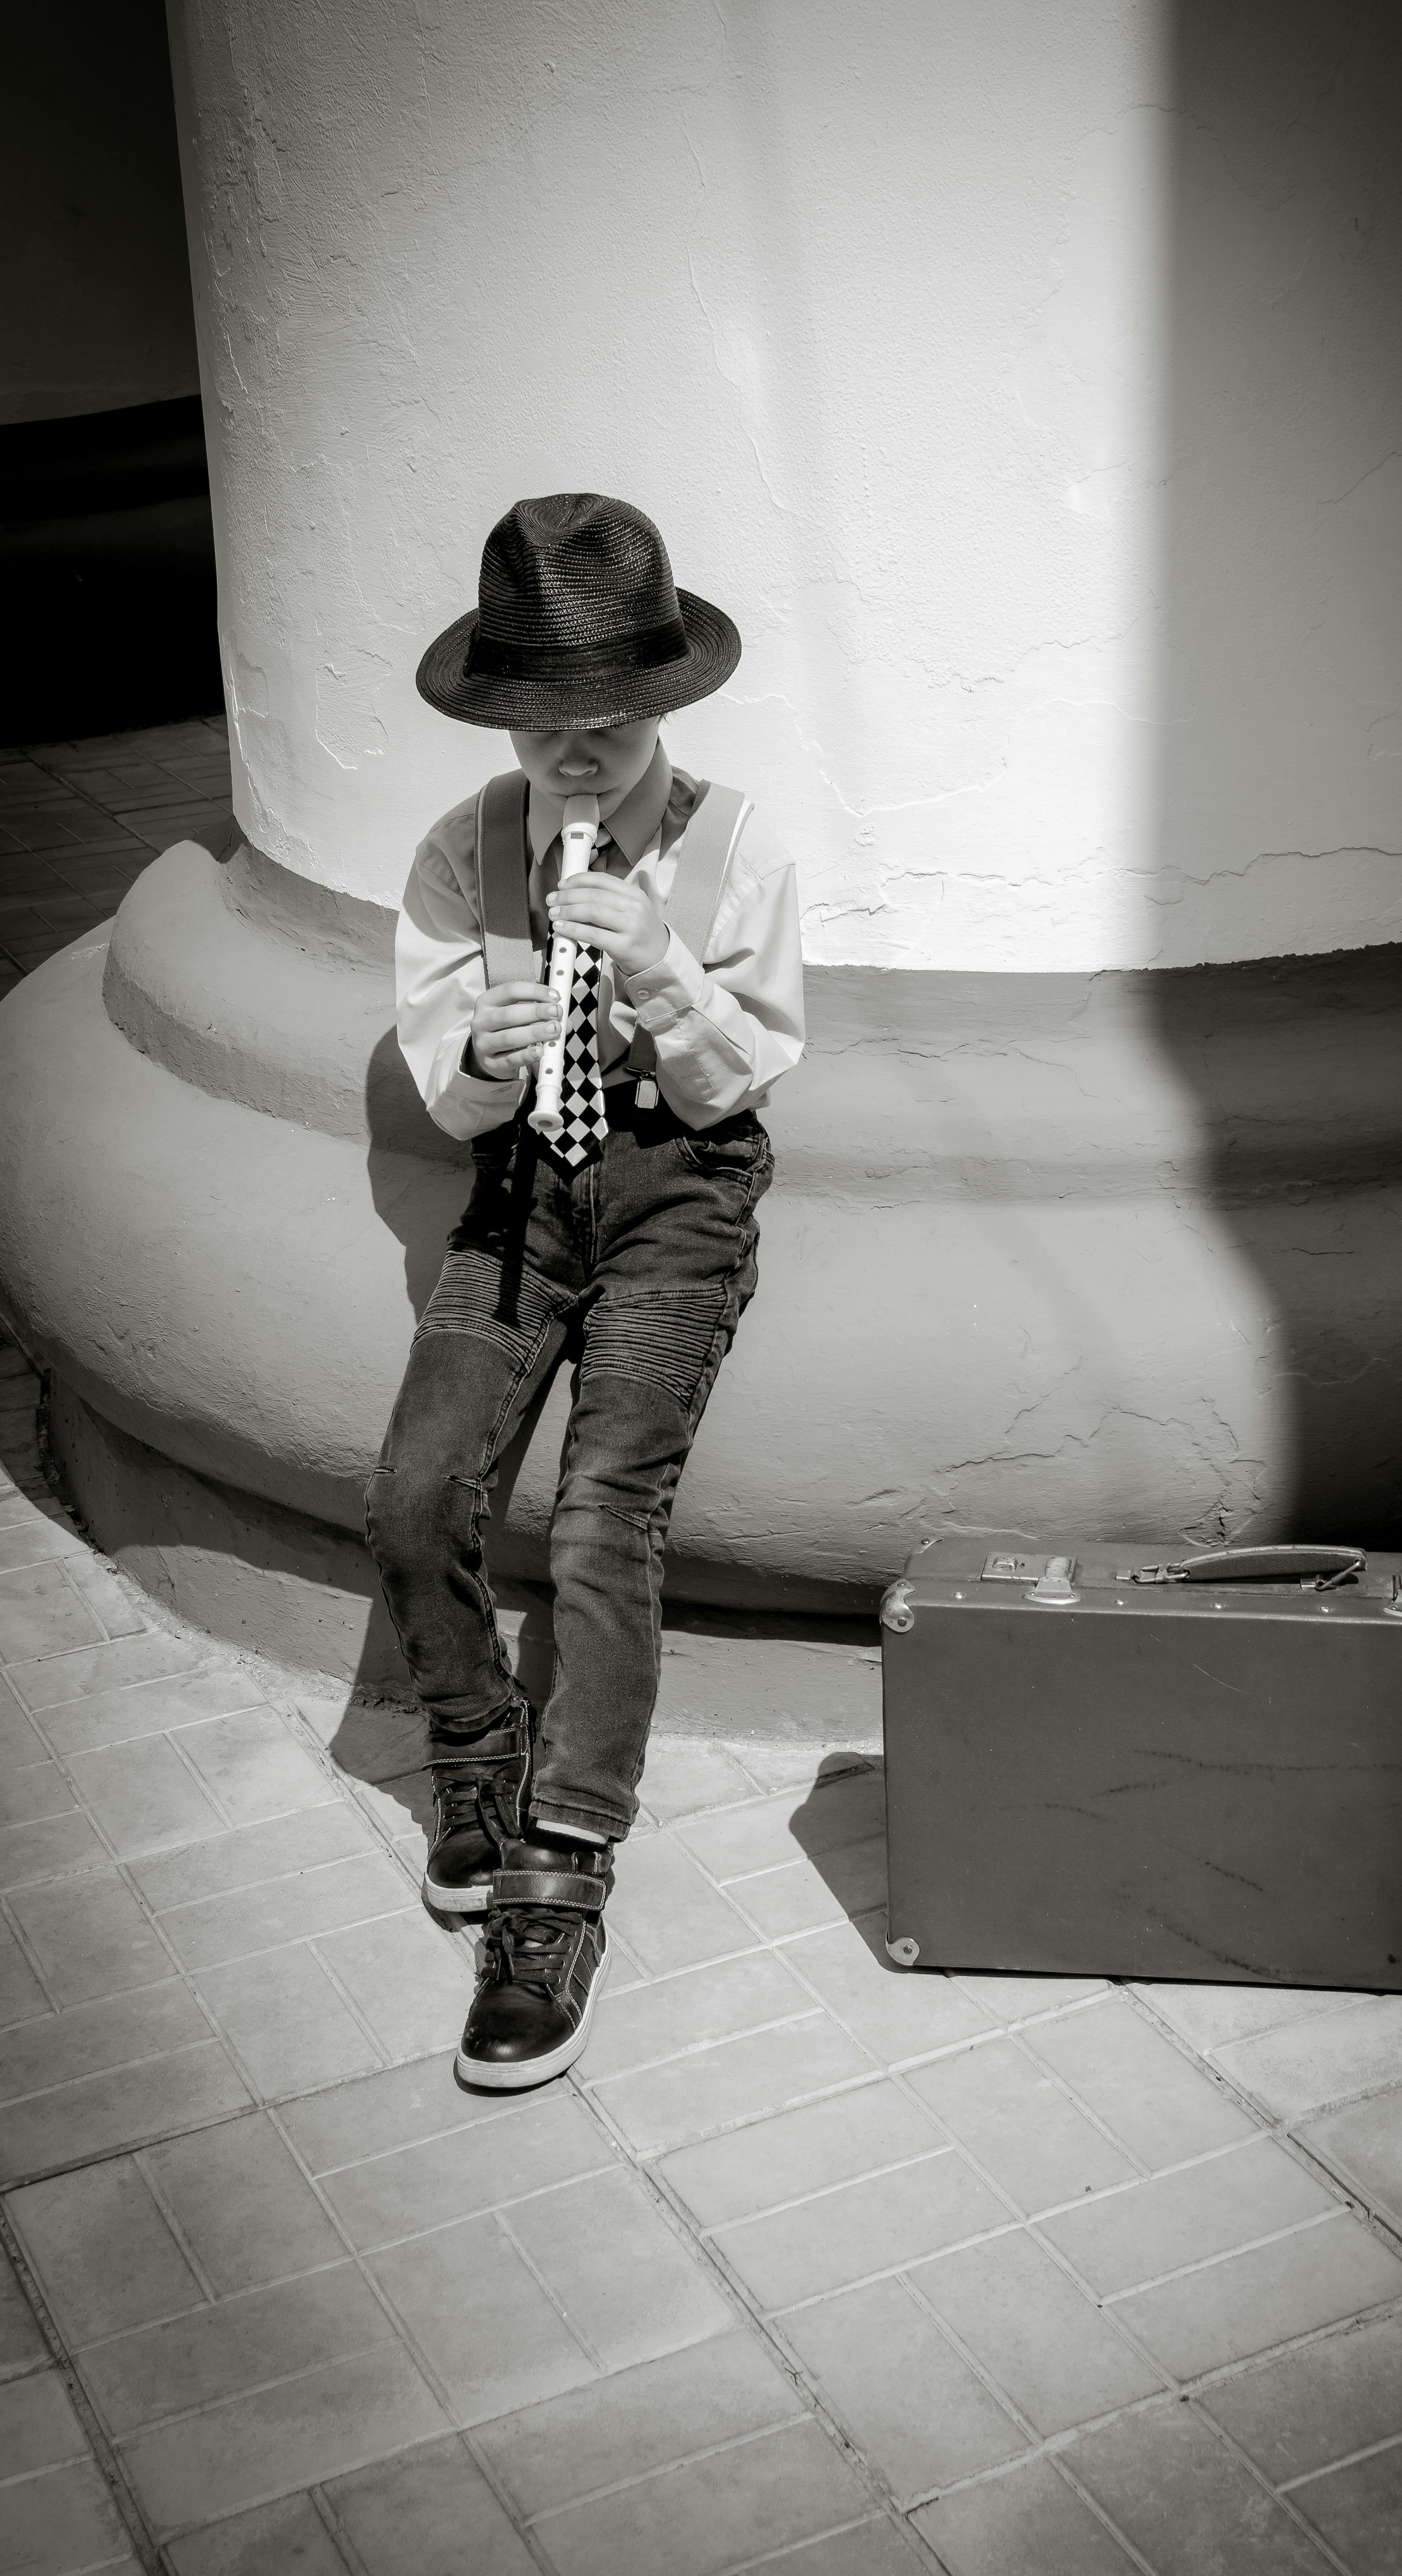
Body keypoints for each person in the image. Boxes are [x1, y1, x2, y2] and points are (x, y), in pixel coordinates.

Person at [366, 492, 804, 2088]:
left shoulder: (741, 847)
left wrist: (663, 975)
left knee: (607, 1511)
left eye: (606, 729)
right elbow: (441, 1077)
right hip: (521, 1197)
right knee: (417, 1493)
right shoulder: (455, 853)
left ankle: (563, 1861)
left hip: (676, 1200)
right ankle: (477, 1751)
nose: (573, 761)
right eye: (537, 730)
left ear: (664, 708)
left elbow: (745, 1079)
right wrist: (479, 1061)